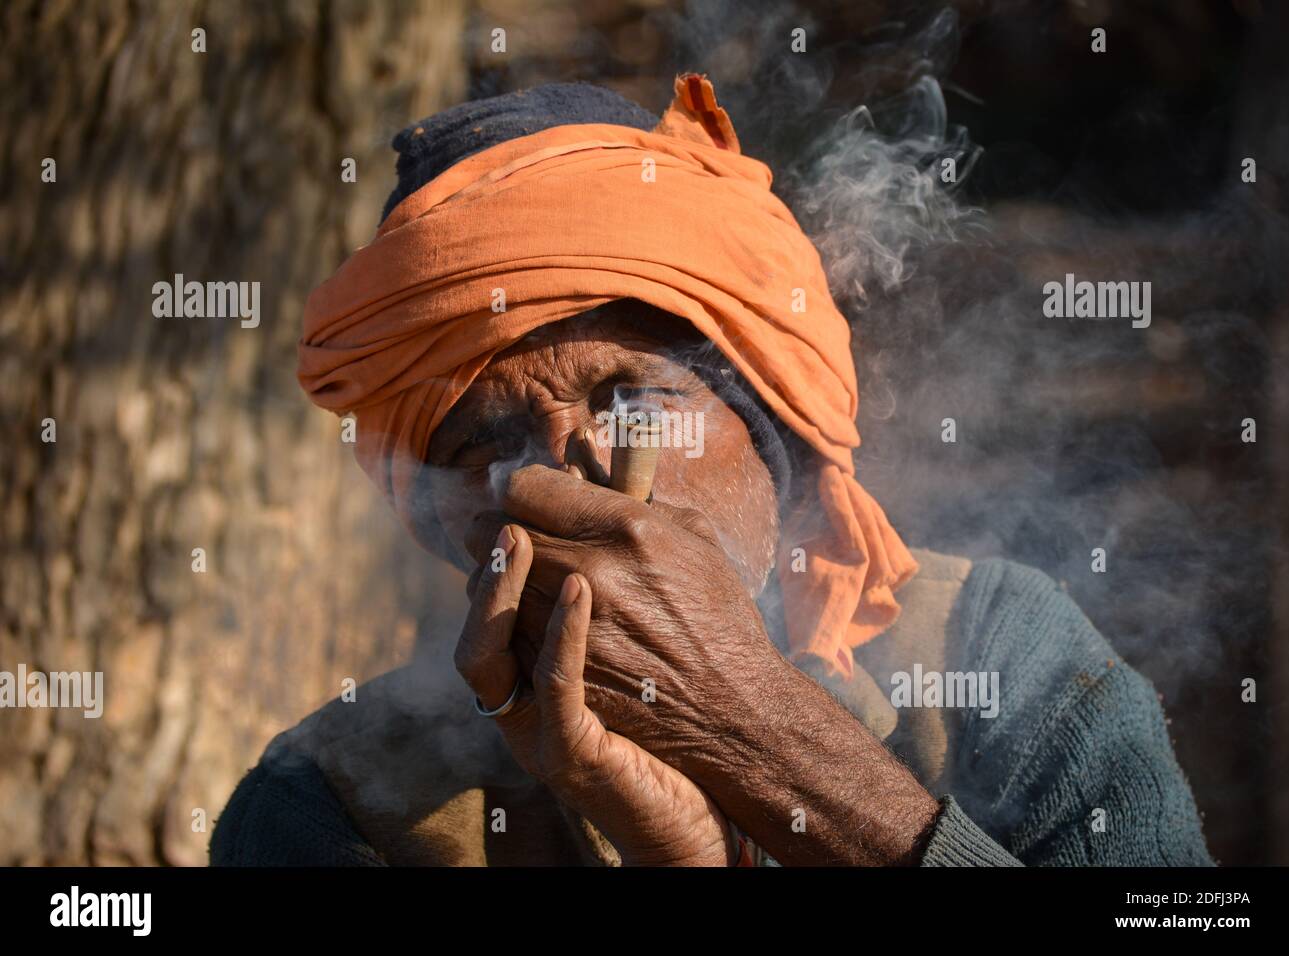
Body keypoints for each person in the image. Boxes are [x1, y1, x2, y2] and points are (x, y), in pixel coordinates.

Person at [210, 75, 1212, 866]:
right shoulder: (336, 797)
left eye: (635, 401)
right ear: (443, 520)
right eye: (483, 443)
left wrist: (760, 737)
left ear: (768, 421)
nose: (571, 467)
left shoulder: (1001, 654)